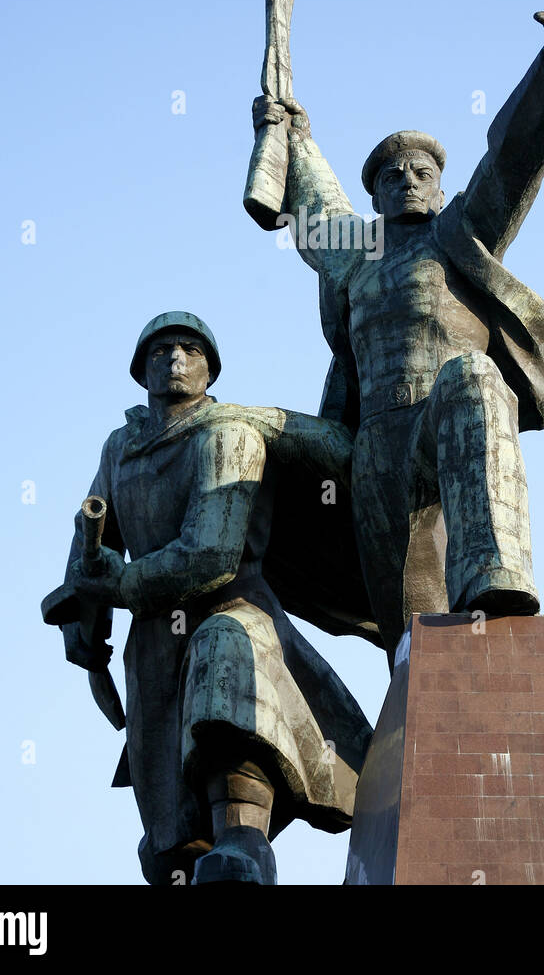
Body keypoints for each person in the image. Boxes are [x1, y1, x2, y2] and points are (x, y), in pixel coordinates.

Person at [250, 0, 544, 659]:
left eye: (420, 173)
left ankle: (495, 578)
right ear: (371, 200)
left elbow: (512, 159)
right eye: (390, 177)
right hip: (370, 449)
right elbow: (310, 199)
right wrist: (292, 130)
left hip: (443, 419)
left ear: (439, 187)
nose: (406, 181)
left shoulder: (460, 233)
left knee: (473, 379)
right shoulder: (352, 257)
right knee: (414, 648)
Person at [46, 311, 373, 885]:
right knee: (170, 831)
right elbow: (89, 538)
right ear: (140, 370)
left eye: (189, 350)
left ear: (209, 368)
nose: (174, 359)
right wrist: (83, 619)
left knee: (226, 679)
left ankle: (246, 843)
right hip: (152, 634)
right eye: (160, 351)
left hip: (231, 607)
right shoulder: (119, 448)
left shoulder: (227, 432)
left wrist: (117, 585)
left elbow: (210, 553)